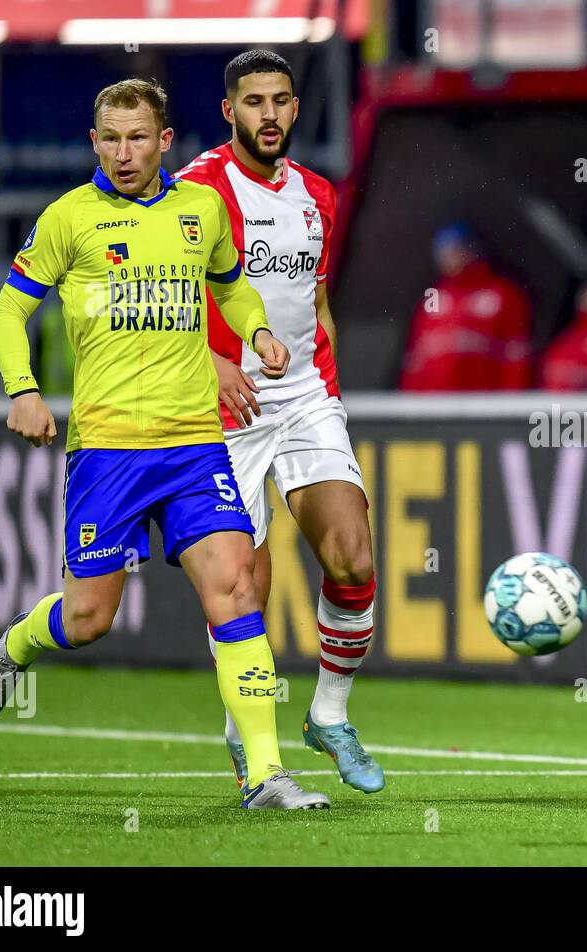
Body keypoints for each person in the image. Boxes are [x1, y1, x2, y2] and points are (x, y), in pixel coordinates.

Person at [0, 78, 325, 811]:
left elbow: (230, 287)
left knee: (234, 587)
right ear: (94, 142)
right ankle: (21, 644)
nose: (124, 152)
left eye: (139, 138)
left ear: (165, 141)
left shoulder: (202, 211)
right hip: (107, 451)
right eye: (111, 138)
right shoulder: (69, 218)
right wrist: (22, 389)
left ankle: (265, 774)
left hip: (196, 444)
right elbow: (8, 312)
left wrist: (256, 329)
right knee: (89, 619)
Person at [176, 50, 382, 794]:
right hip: (220, 410)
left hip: (303, 396)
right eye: (254, 102)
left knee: (354, 558)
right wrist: (215, 364)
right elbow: (168, 299)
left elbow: (317, 303)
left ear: (297, 109)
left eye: (282, 101)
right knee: (244, 593)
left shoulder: (319, 196)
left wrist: (330, 392)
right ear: (229, 111)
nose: (269, 114)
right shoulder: (195, 191)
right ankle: (248, 746)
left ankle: (328, 714)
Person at [398, 224, 533, 390]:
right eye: (442, 252)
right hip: (435, 406)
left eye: (454, 249)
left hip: (483, 404)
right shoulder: (434, 297)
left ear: (472, 249)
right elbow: (416, 360)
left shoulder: (503, 295)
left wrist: (509, 405)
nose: (448, 257)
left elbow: (517, 355)